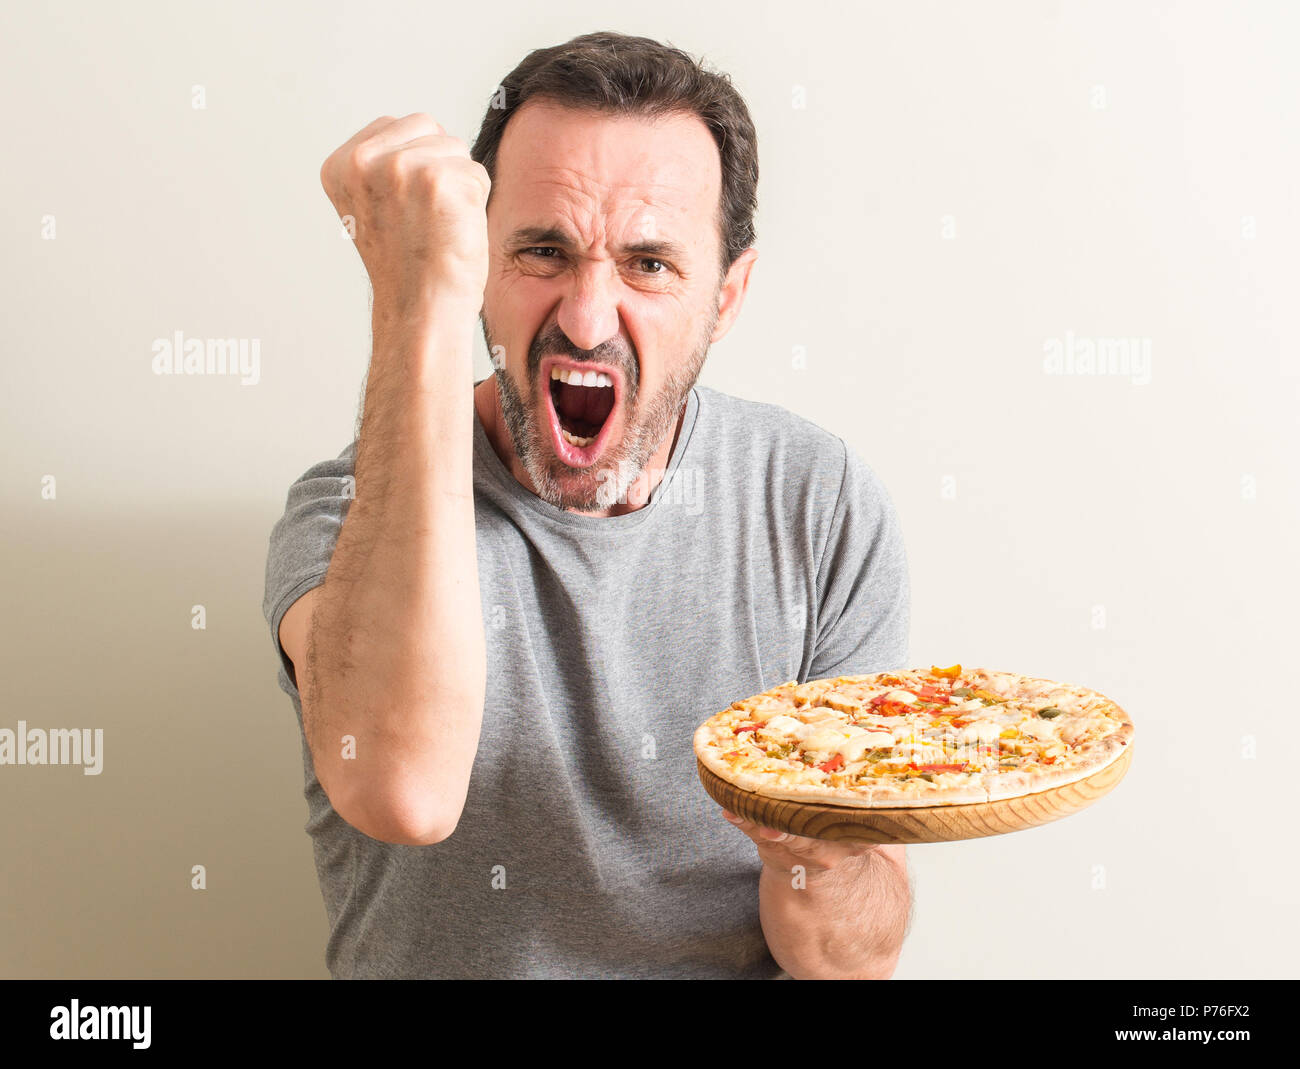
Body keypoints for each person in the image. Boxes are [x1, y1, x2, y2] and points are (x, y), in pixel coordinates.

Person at [262, 31, 912, 979]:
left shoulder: (818, 507)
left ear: (726, 297)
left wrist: (806, 840)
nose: (586, 317)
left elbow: (853, 959)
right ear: (478, 269)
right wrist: (414, 305)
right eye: (540, 250)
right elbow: (401, 793)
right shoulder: (354, 511)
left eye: (648, 263)